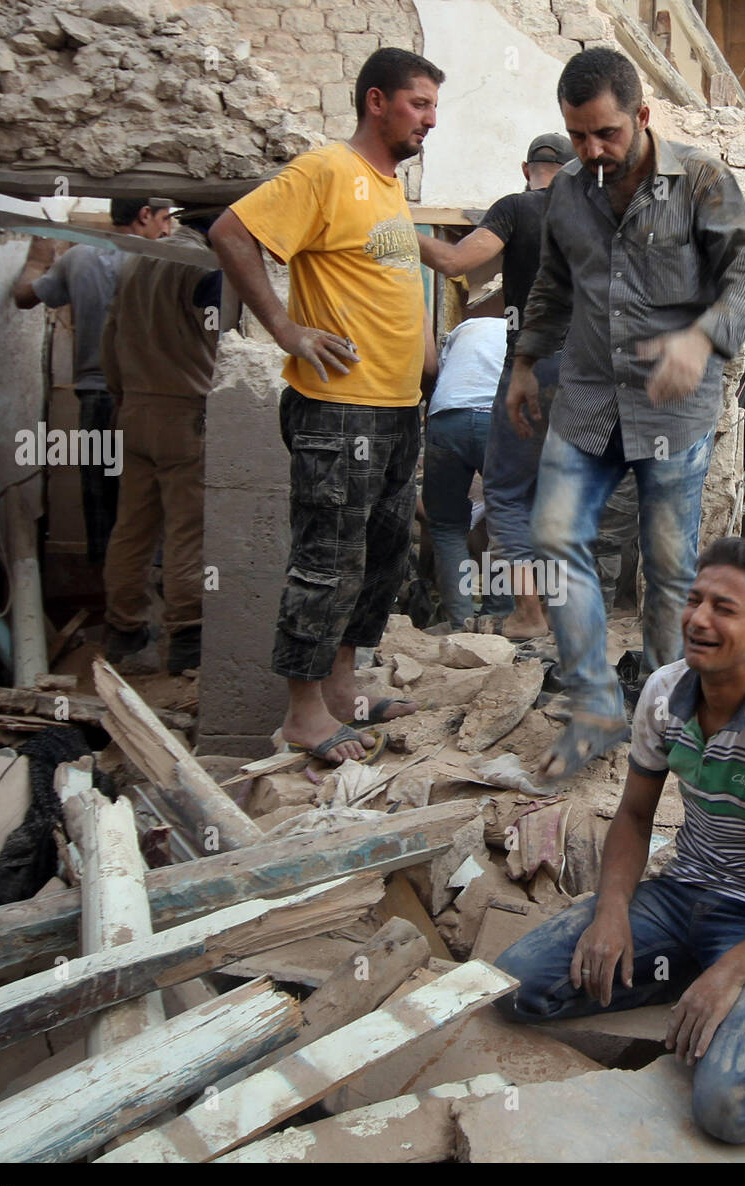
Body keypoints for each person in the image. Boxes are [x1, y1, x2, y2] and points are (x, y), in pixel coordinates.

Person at [494, 537, 745, 1144]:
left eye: (723, 608)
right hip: (682, 891)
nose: (698, 619)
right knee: (516, 989)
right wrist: (611, 914)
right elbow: (635, 817)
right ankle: (689, 973)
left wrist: (733, 972)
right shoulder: (664, 694)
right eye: (694, 600)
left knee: (728, 1109)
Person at [507, 48, 745, 780]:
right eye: (577, 135)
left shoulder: (702, 180)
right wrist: (525, 364)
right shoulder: (567, 190)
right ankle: (594, 703)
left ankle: (664, 712)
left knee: (668, 567)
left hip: (673, 409)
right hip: (588, 399)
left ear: (643, 117)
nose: (592, 151)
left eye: (606, 135)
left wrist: (702, 336)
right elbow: (553, 286)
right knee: (554, 536)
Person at [209, 47, 444, 764]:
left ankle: (342, 693)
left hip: (398, 409)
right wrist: (282, 326)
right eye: (418, 104)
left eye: (435, 107)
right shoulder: (325, 171)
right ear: (376, 101)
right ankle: (304, 712)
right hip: (340, 411)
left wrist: (427, 356)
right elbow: (231, 232)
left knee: (379, 560)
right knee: (327, 560)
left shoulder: (390, 188)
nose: (429, 120)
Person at [417, 135, 638, 638]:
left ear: (526, 168)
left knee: (508, 491)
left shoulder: (517, 208)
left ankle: (528, 613)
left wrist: (401, 231)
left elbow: (456, 263)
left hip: (538, 368)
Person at [100, 209, 228, 675]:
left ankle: (125, 631)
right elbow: (223, 340)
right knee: (186, 530)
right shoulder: (205, 267)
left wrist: (120, 394)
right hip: (184, 410)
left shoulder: (137, 258)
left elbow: (109, 336)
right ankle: (188, 638)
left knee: (132, 526)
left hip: (134, 406)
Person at [12, 198, 174, 565]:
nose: (167, 230)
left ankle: (111, 603)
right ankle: (150, 592)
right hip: (149, 401)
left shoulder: (77, 258)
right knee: (150, 502)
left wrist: (37, 261)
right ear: (144, 214)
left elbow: (23, 297)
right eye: (164, 219)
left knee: (101, 501)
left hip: (96, 400)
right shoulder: (160, 260)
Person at [421, 315, 514, 627]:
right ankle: (497, 619)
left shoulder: (464, 329)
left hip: (448, 417)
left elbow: (435, 373)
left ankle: (461, 623)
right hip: (500, 421)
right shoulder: (528, 331)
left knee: (447, 527)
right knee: (507, 523)